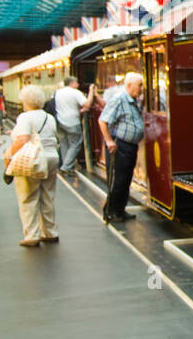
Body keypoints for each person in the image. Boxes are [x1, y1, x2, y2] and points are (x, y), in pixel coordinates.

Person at [4, 84, 59, 247]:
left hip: (34, 160)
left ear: (25, 101)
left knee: (28, 197)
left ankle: (32, 235)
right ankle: (50, 232)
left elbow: (23, 140)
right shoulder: (49, 117)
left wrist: (8, 154)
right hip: (51, 157)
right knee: (48, 196)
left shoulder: (25, 117)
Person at [98, 71, 144, 224]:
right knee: (118, 180)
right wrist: (109, 141)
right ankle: (111, 212)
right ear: (129, 85)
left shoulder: (132, 99)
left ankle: (120, 210)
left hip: (130, 146)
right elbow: (103, 120)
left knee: (125, 179)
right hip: (120, 145)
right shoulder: (119, 99)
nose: (142, 88)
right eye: (140, 85)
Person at [53, 76, 89, 176]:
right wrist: (91, 92)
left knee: (64, 144)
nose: (78, 84)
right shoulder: (75, 92)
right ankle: (66, 167)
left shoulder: (58, 92)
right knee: (75, 144)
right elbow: (87, 104)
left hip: (60, 122)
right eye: (77, 82)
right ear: (72, 83)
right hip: (72, 122)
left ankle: (66, 167)